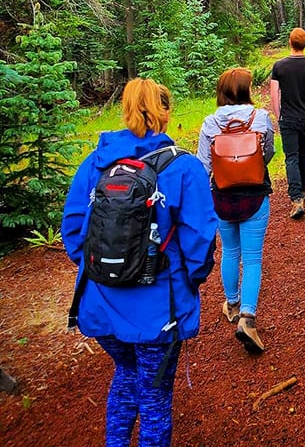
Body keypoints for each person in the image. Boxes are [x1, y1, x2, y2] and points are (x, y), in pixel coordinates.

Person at [62, 78, 217, 447]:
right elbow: (200, 243)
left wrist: (104, 272)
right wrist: (190, 281)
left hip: (100, 307)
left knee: (127, 373)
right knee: (154, 397)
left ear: (125, 108)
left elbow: (72, 234)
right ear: (165, 112)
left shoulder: (94, 164)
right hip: (158, 313)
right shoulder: (185, 168)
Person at [197, 68, 275, 353]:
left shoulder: (209, 123)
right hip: (255, 195)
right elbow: (268, 154)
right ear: (245, 89)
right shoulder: (261, 118)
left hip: (222, 196)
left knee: (230, 252)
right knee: (252, 259)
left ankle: (231, 304)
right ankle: (247, 317)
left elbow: (203, 165)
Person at [270, 27, 305, 220]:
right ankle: (302, 187)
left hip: (288, 118)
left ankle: (296, 198)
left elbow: (274, 95)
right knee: (303, 153)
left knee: (291, 156)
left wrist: (279, 115)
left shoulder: (279, 66)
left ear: (290, 43)